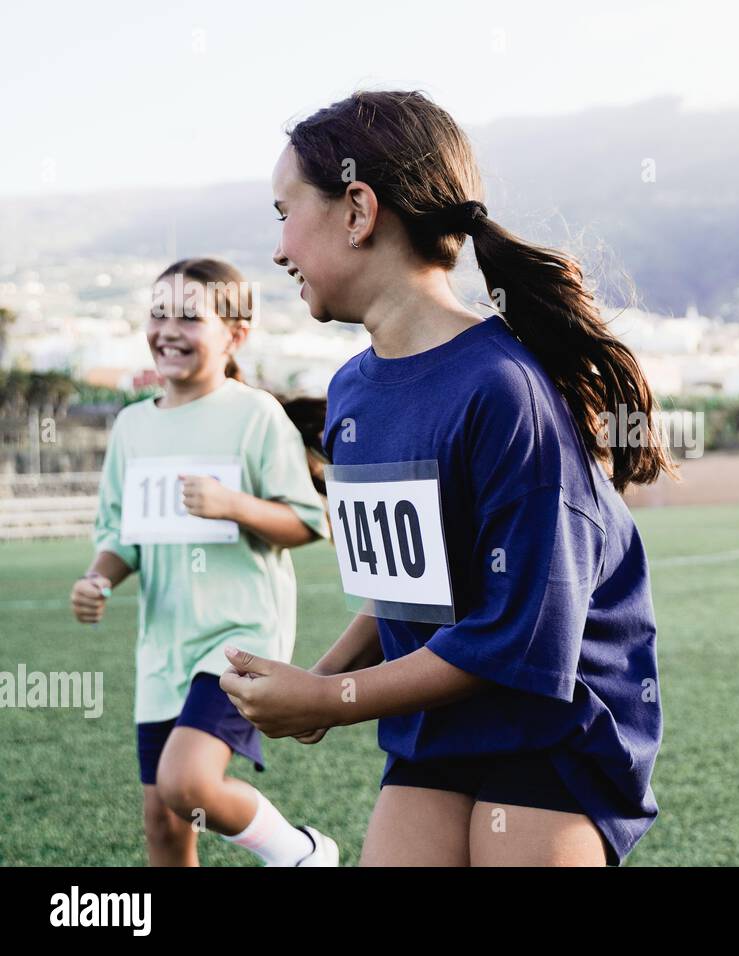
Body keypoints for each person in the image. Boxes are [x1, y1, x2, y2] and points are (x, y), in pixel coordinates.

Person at [222, 89, 674, 866]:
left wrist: (331, 698)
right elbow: (410, 589)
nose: (277, 248)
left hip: (552, 732)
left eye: (283, 212)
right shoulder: (354, 390)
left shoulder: (504, 390)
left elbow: (520, 637)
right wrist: (317, 684)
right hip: (438, 733)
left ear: (358, 210)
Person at [71, 257, 337, 865]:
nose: (168, 328)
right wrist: (97, 577)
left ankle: (300, 854)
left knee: (188, 783)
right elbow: (121, 535)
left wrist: (232, 505)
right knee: (166, 826)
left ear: (235, 335)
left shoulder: (254, 415)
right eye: (158, 312)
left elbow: (305, 521)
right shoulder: (132, 426)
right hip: (161, 648)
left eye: (190, 316)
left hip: (237, 638)